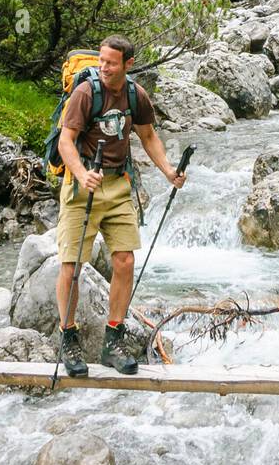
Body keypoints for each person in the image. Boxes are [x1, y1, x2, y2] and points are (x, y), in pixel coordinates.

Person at [55, 35, 185, 377]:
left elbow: (148, 136)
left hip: (118, 185)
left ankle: (113, 340)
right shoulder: (86, 93)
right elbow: (66, 141)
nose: (104, 67)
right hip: (81, 186)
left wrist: (169, 171)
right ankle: (68, 339)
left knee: (124, 260)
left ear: (128, 64)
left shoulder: (135, 95)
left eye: (111, 62)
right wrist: (82, 174)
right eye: (101, 61)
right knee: (72, 266)